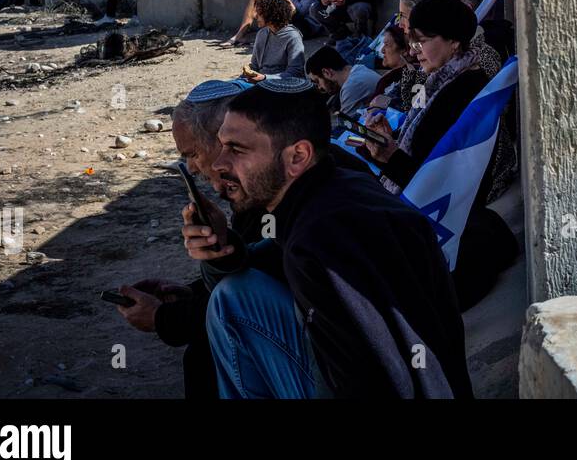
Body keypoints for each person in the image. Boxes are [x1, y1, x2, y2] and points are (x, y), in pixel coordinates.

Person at [182, 81, 473, 398]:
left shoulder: (319, 237)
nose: (219, 163)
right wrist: (224, 251)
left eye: (237, 149)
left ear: (297, 157)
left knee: (231, 301)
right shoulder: (334, 187)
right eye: (222, 146)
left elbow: (377, 375)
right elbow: (271, 257)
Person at [359, 0, 518, 310]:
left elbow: (439, 185)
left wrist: (389, 157)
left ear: (454, 42)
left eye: (423, 40)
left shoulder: (461, 91)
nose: (413, 50)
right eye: (411, 40)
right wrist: (386, 147)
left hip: (446, 224)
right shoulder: (444, 81)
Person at [113, 80, 264, 399]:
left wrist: (163, 318)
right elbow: (247, 269)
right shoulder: (251, 194)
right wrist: (189, 293)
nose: (193, 169)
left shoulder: (272, 196)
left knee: (204, 357)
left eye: (193, 154)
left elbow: (254, 298)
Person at [242, 0, 305, 83]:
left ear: (271, 14)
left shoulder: (292, 37)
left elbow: (296, 72)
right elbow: (255, 66)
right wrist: (248, 73)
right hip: (260, 82)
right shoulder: (261, 33)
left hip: (282, 85)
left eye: (259, 13)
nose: (256, 16)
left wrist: (265, 78)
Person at [306, 45, 381, 118]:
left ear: (327, 72)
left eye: (317, 81)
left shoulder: (351, 86)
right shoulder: (359, 68)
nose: (319, 87)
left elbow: (346, 126)